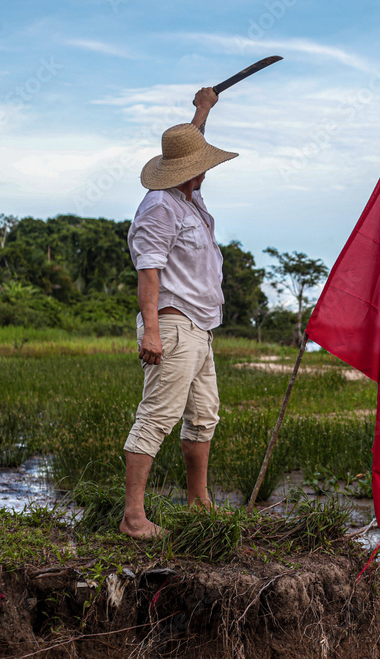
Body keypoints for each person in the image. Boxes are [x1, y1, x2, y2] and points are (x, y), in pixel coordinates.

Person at [120, 87, 237, 539]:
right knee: (156, 417)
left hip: (201, 327)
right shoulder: (158, 207)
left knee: (204, 415)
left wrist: (202, 109)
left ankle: (198, 502)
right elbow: (148, 273)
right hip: (171, 323)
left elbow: (192, 144)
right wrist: (151, 331)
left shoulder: (190, 199)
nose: (202, 171)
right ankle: (134, 518)